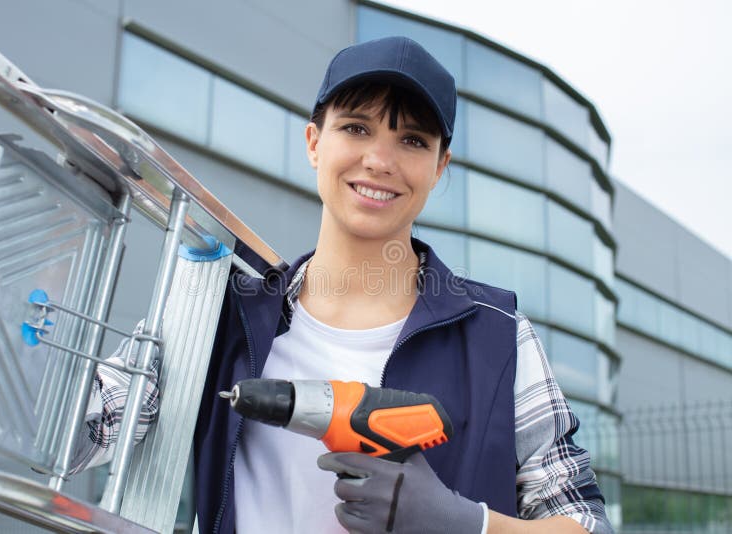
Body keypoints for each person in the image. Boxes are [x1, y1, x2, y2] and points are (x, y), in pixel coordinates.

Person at [77, 36, 613, 534]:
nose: (379, 161)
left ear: (439, 166)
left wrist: (467, 524)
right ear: (314, 142)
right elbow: (83, 430)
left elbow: (586, 524)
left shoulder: (498, 337)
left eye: (412, 139)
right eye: (357, 128)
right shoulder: (220, 312)